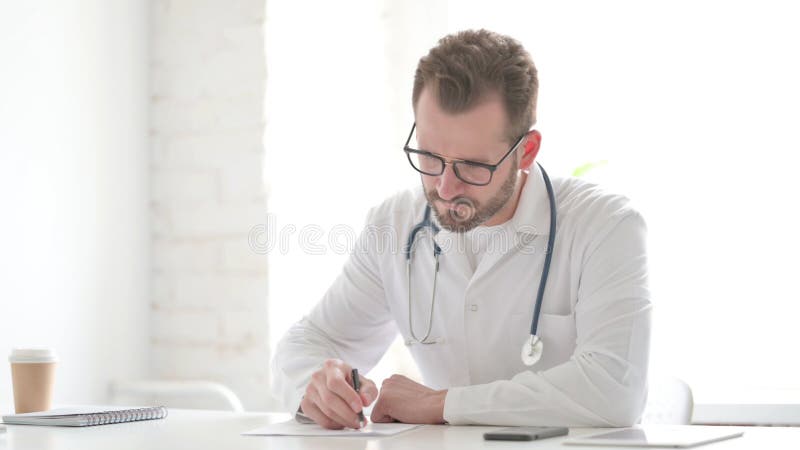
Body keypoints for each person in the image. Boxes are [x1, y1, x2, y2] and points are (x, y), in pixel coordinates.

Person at [271, 29, 651, 429]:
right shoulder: (395, 224)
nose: (445, 188)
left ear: (527, 150)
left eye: (472, 165)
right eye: (430, 157)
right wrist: (319, 386)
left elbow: (613, 391)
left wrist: (442, 404)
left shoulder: (605, 226)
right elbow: (305, 343)